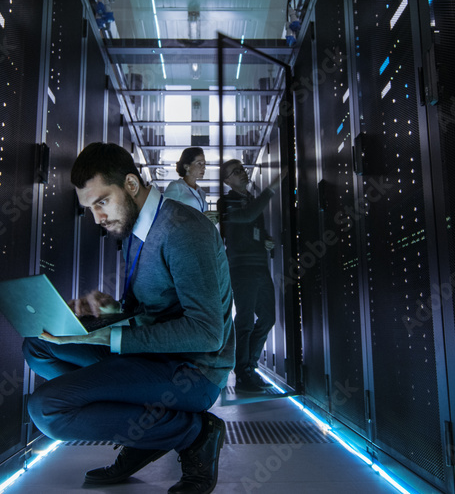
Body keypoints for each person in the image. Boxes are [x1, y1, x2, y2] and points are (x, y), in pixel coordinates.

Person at [22, 142, 234, 494]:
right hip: (150, 356)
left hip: (193, 371)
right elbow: (148, 310)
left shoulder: (183, 230)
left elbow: (208, 333)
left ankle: (193, 433)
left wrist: (108, 338)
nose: (97, 218)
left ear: (131, 185)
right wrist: (100, 314)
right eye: (90, 208)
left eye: (101, 202)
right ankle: (148, 430)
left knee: (48, 410)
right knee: (39, 345)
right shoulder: (138, 228)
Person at [217, 159, 285, 392]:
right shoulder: (225, 202)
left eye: (242, 170)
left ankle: (250, 367)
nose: (243, 174)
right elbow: (246, 216)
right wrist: (272, 188)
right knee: (245, 320)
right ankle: (243, 371)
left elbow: (254, 226)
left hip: (259, 266)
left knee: (268, 318)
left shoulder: (251, 200)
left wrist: (265, 239)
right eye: (236, 172)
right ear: (227, 181)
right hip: (240, 268)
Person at [164, 147, 219, 223]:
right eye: (199, 163)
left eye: (204, 164)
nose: (203, 167)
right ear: (187, 167)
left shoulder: (201, 192)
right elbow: (166, 214)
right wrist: (199, 218)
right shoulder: (176, 186)